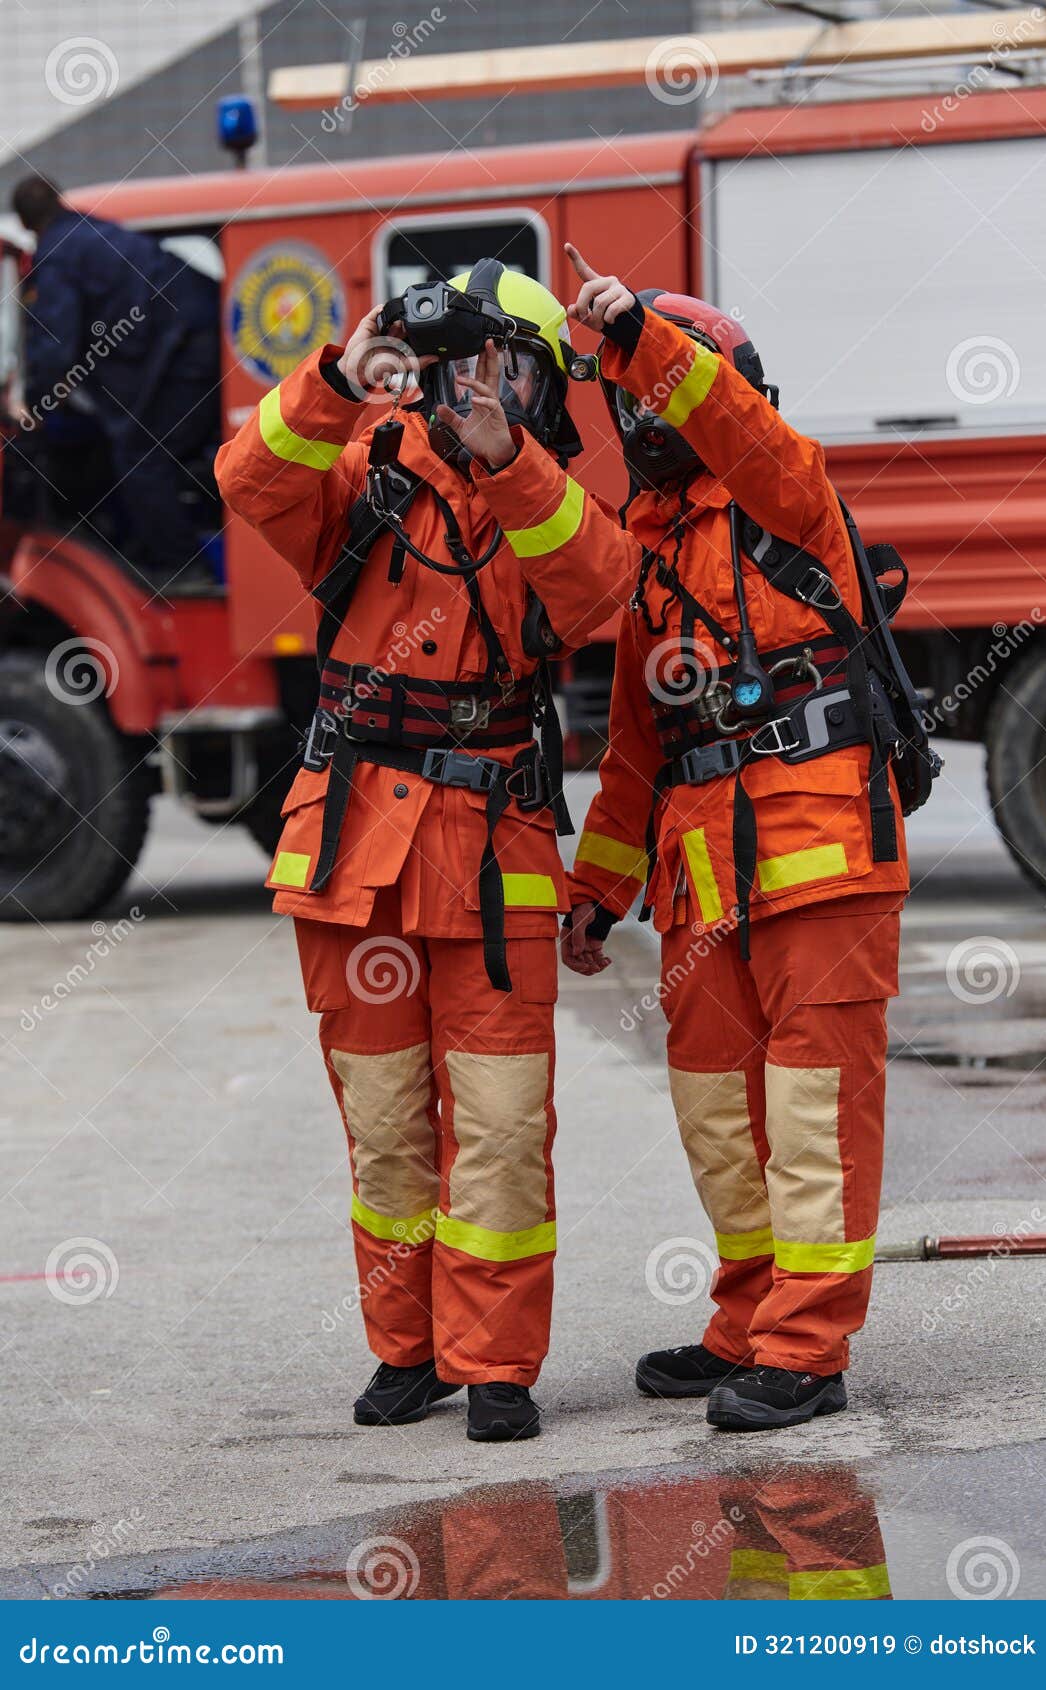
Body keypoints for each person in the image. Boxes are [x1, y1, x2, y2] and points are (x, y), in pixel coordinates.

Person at [215, 260, 631, 1442]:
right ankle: (407, 1351)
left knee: (500, 1125)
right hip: (357, 847)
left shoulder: (541, 492)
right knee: (386, 1118)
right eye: (467, 358)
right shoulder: (367, 465)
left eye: (509, 366)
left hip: (489, 846)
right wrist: (344, 374)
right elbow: (248, 478)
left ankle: (495, 1365)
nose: (480, 382)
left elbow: (598, 592)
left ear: (545, 387)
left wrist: (502, 456)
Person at [558, 244, 910, 1430]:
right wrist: (595, 892)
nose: (629, 415)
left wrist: (635, 331)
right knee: (721, 1113)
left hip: (819, 859)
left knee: (813, 1114)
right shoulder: (649, 553)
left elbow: (739, 434)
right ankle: (748, 1320)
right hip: (702, 876)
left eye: (643, 393)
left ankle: (807, 1350)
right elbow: (633, 748)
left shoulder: (786, 492)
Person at [12, 174, 219, 587]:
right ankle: (160, 548)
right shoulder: (95, 231)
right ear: (57, 199)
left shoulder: (56, 256)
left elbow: (55, 348)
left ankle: (184, 572)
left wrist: (33, 405)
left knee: (140, 456)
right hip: (202, 339)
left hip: (184, 353)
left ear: (27, 224)